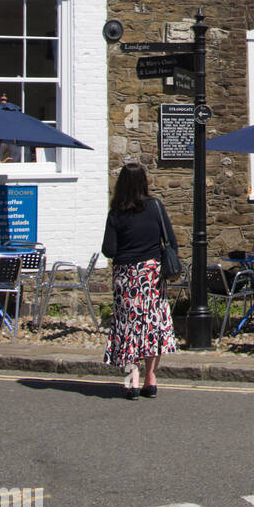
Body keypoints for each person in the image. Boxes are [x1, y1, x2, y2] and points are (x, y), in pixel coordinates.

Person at [102, 162, 178, 400]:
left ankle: (132, 381)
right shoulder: (155, 206)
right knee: (153, 326)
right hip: (151, 276)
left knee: (128, 329)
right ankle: (150, 380)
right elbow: (172, 241)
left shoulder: (116, 213)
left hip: (126, 277)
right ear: (144, 182)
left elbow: (109, 249)